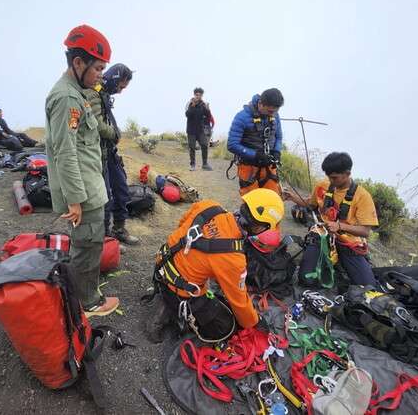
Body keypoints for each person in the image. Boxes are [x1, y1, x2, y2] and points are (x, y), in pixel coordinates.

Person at [145, 188, 285, 343]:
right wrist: (255, 322)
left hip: (162, 264)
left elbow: (182, 224)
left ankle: (167, 297)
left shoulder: (209, 206)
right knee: (225, 327)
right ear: (259, 228)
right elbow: (239, 303)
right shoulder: (233, 258)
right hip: (179, 289)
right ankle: (169, 310)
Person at [45, 24, 118, 317]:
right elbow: (65, 151)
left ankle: (83, 295)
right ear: (78, 62)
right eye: (98, 68)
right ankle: (87, 304)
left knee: (91, 242)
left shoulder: (78, 93)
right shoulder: (67, 98)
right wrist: (75, 199)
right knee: (87, 245)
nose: (101, 75)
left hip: (90, 184)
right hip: (83, 192)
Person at [283, 152, 379, 286]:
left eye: (334, 177)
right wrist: (292, 197)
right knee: (306, 279)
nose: (331, 181)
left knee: (368, 286)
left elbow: (365, 231)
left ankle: (339, 265)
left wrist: (340, 226)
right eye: (328, 177)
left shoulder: (362, 196)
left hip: (348, 243)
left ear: (347, 173)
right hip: (321, 235)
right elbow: (311, 204)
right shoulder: (322, 185)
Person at [85, 63, 140, 245]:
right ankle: (105, 237)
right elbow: (97, 124)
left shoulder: (104, 94)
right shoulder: (93, 91)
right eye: (121, 86)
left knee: (121, 189)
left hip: (110, 151)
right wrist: (115, 133)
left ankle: (119, 229)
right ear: (115, 79)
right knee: (105, 197)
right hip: (98, 153)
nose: (121, 91)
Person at [227, 88, 284, 196]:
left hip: (268, 166)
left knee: (273, 199)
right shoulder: (242, 117)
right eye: (270, 111)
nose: (273, 115)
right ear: (261, 104)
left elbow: (279, 137)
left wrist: (277, 151)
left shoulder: (274, 115)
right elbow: (232, 145)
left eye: (276, 111)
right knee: (252, 202)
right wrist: (256, 155)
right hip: (248, 167)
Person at [185, 87, 214, 171]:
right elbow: (187, 115)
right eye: (197, 95)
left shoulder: (203, 104)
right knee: (192, 147)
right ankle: (193, 165)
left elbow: (208, 116)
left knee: (204, 145)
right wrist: (193, 106)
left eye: (200, 95)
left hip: (200, 130)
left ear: (202, 96)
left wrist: (208, 110)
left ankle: (205, 164)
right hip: (191, 130)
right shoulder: (189, 103)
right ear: (194, 95)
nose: (198, 96)